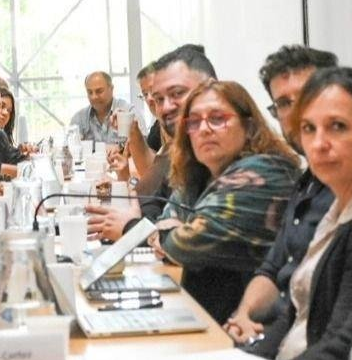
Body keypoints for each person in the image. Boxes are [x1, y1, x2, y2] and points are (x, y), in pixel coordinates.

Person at [148, 80, 300, 324]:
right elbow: (165, 220)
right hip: (215, 315)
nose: (204, 129)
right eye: (194, 122)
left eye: (217, 119)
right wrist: (172, 231)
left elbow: (185, 244)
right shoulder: (199, 174)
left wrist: (172, 233)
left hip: (261, 322)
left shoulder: (266, 172)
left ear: (249, 127)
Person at [225, 46, 338, 347]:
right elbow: (273, 270)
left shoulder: (341, 189)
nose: (297, 111)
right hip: (277, 332)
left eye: (307, 94)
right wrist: (243, 315)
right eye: (284, 103)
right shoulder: (305, 183)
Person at [253, 67, 352, 360]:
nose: (318, 144)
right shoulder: (334, 213)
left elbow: (339, 345)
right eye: (309, 128)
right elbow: (295, 314)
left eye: (337, 126)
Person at [87, 44, 216, 240]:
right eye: (158, 98)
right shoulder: (183, 149)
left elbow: (193, 241)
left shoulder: (234, 163)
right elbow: (158, 212)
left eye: (177, 93)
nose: (165, 107)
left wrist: (132, 228)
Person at [69, 71, 134, 142]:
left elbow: (141, 146)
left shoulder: (129, 112)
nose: (94, 97)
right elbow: (68, 146)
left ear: (111, 89)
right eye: (90, 92)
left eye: (99, 91)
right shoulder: (79, 118)